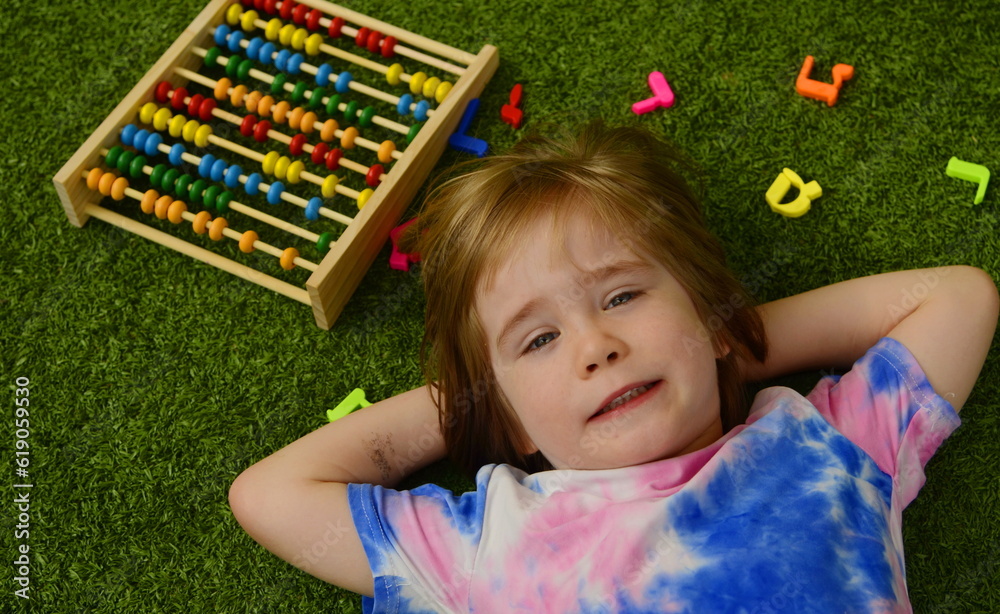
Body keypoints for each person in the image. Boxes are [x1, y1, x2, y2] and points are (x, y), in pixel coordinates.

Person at [229, 121, 998, 612]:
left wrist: (725, 337)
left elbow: (958, 299)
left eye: (623, 295)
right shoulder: (494, 547)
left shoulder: (827, 450)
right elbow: (270, 495)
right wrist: (481, 405)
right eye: (538, 342)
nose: (595, 345)